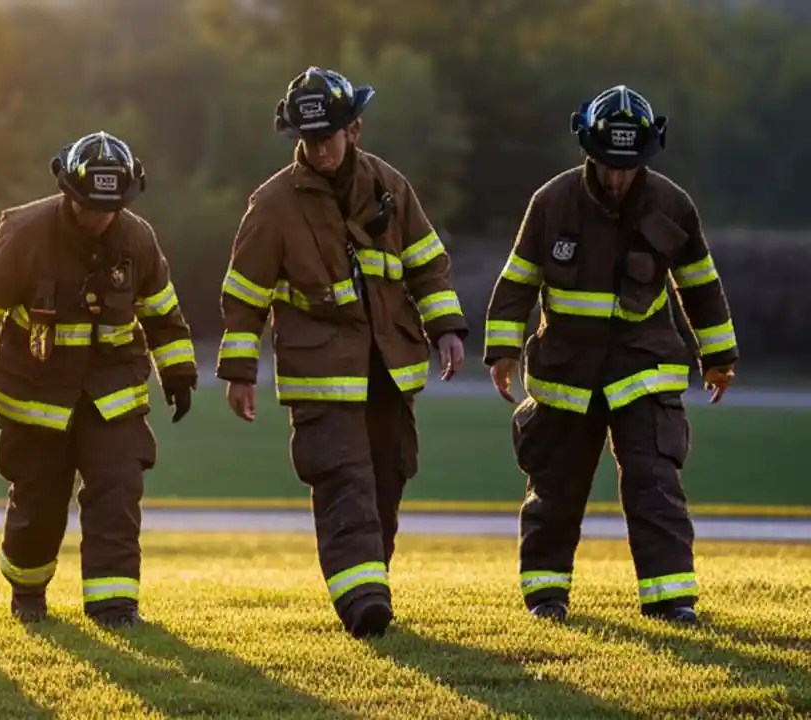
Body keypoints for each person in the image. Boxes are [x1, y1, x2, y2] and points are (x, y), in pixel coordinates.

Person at [216, 67, 468, 637]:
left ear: (353, 128)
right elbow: (244, 295)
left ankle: (368, 582)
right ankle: (363, 605)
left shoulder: (390, 187)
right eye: (308, 139)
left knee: (387, 477)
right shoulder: (274, 204)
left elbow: (428, 264)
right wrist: (239, 370)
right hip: (320, 375)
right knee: (343, 480)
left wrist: (446, 327)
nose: (319, 148)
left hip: (388, 369)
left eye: (327, 135)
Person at [484, 85, 738, 624]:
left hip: (644, 370)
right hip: (565, 375)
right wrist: (502, 350)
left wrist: (718, 355)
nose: (617, 177)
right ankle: (545, 599)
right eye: (606, 164)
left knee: (655, 486)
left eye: (628, 165)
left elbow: (701, 287)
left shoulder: (673, 206)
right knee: (555, 490)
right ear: (588, 151)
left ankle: (671, 600)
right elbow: (517, 283)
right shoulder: (551, 203)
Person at [0, 131, 196, 627]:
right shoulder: (23, 234)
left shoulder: (137, 238)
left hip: (112, 392)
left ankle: (114, 606)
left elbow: (163, 314)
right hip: (36, 395)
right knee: (38, 502)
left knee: (118, 487)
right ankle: (29, 592)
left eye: (110, 208)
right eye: (88, 205)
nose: (98, 218)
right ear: (68, 192)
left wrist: (180, 371)